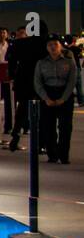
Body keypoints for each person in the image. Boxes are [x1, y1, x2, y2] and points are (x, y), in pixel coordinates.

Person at [34, 36, 77, 164]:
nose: (53, 47)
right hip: (48, 93)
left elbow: (72, 81)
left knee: (65, 127)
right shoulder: (41, 63)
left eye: (55, 44)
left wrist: (63, 98)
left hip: (65, 94)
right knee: (48, 126)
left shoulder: (69, 62)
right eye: (50, 45)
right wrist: (46, 98)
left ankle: (64, 155)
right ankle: (52, 154)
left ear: (60, 46)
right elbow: (37, 82)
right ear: (47, 48)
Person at [6, 25, 47, 152]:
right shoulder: (44, 43)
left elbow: (11, 61)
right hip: (40, 80)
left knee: (22, 110)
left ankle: (15, 136)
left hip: (23, 79)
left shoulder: (19, 43)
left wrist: (12, 75)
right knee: (42, 112)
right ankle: (40, 143)